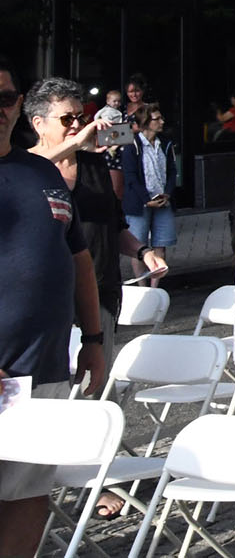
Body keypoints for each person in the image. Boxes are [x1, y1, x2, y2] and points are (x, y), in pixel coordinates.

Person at [0, 57, 110, 558]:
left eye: (4, 98)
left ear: (19, 105)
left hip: (41, 370)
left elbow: (77, 258)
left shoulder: (42, 172)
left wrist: (92, 339)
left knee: (28, 494)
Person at [26, 79, 167, 367]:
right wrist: (75, 144)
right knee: (47, 394)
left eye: (81, 117)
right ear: (38, 123)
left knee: (95, 389)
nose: (77, 125)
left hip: (99, 289)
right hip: (44, 298)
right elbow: (27, 175)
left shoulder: (93, 164)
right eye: (67, 118)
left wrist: (143, 252)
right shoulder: (21, 169)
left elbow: (113, 226)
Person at [122, 104, 181, 278]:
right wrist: (146, 199)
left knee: (160, 244)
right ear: (146, 122)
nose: (162, 122)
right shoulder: (133, 145)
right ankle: (142, 286)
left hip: (163, 199)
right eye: (157, 119)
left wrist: (168, 193)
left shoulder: (165, 143)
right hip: (140, 202)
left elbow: (172, 171)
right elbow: (130, 176)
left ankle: (156, 285)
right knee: (139, 247)